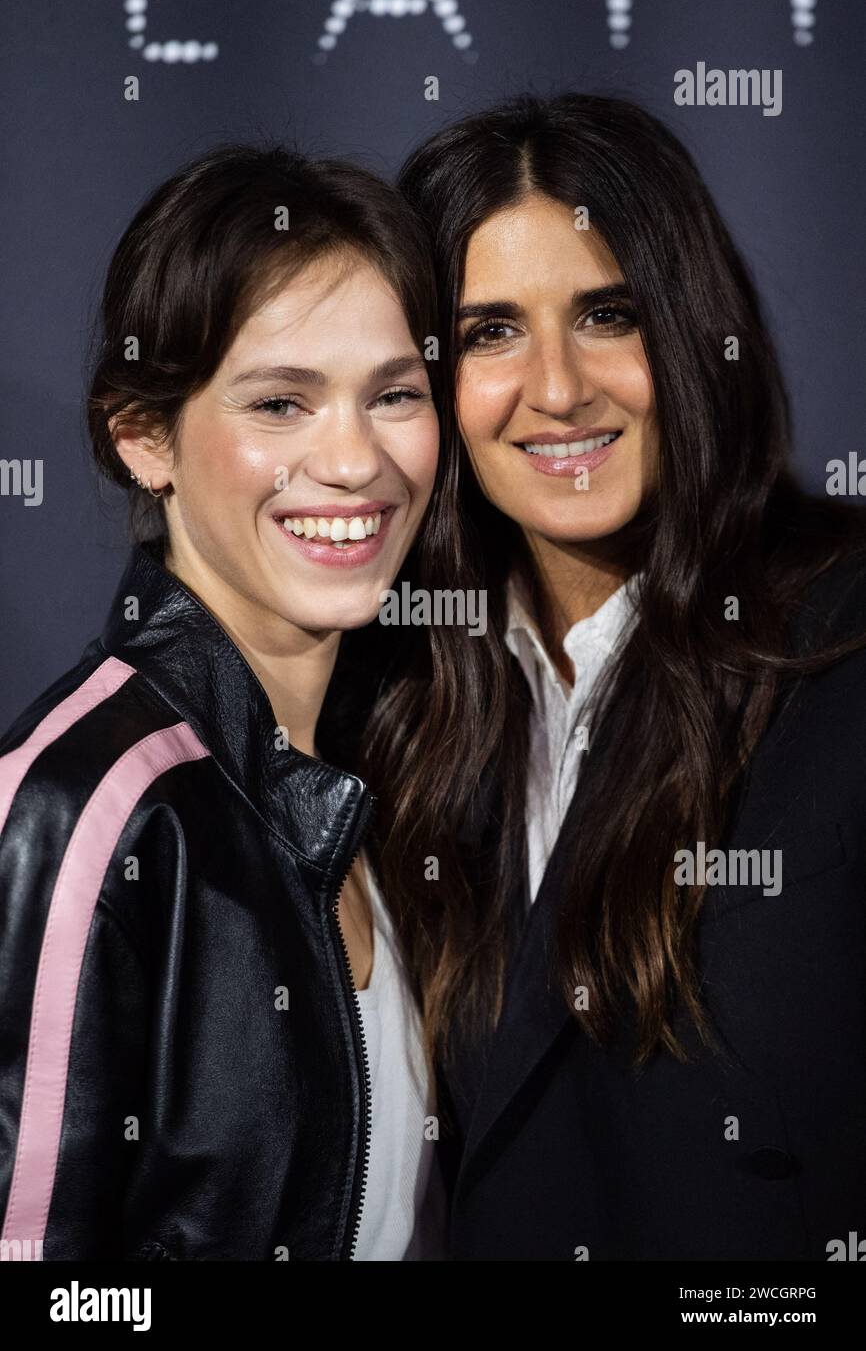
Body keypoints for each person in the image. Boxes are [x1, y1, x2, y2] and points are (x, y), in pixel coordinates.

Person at [361, 91, 866, 1259]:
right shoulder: (398, 702)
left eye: (605, 314)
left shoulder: (842, 633)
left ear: (692, 330)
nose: (556, 387)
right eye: (488, 331)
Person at [0, 144, 448, 1261]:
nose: (353, 461)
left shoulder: (389, 771)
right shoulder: (82, 806)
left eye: (393, 394)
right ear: (143, 437)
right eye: (280, 402)